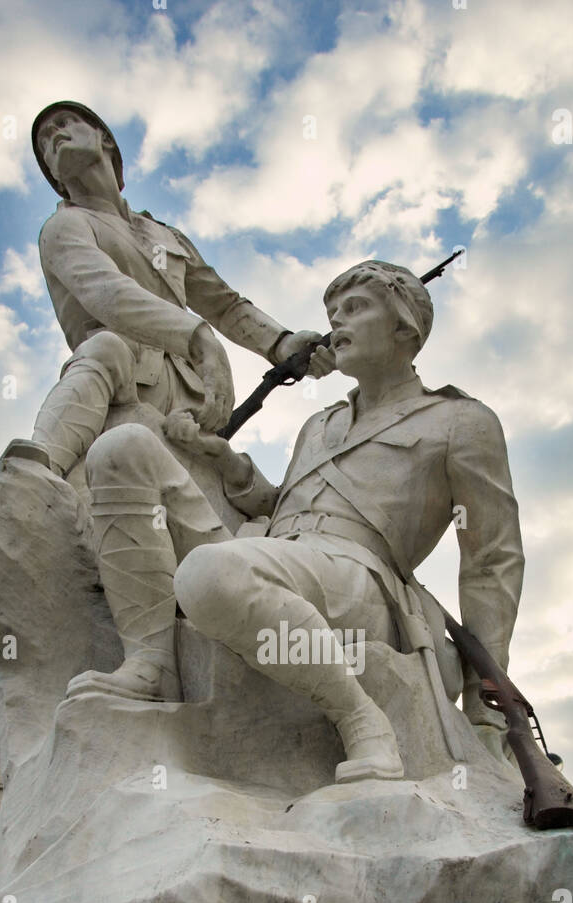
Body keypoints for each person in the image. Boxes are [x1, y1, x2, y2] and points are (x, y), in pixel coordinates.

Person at [163, 259, 524, 781]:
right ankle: (143, 666)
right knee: (126, 452)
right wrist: (224, 461)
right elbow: (287, 505)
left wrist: (485, 704)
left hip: (365, 582)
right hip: (282, 552)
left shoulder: (460, 422)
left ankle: (360, 719)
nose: (338, 325)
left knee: (208, 574)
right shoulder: (320, 423)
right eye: (333, 313)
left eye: (355, 309)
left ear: (405, 323)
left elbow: (492, 561)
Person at [3, 100, 333, 483]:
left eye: (64, 123)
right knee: (105, 351)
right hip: (115, 382)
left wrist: (281, 343)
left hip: (192, 398)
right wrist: (199, 339)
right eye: (44, 141)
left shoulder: (164, 235)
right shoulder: (64, 227)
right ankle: (36, 474)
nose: (53, 136)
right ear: (55, 177)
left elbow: (224, 304)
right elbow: (107, 293)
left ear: (105, 139)